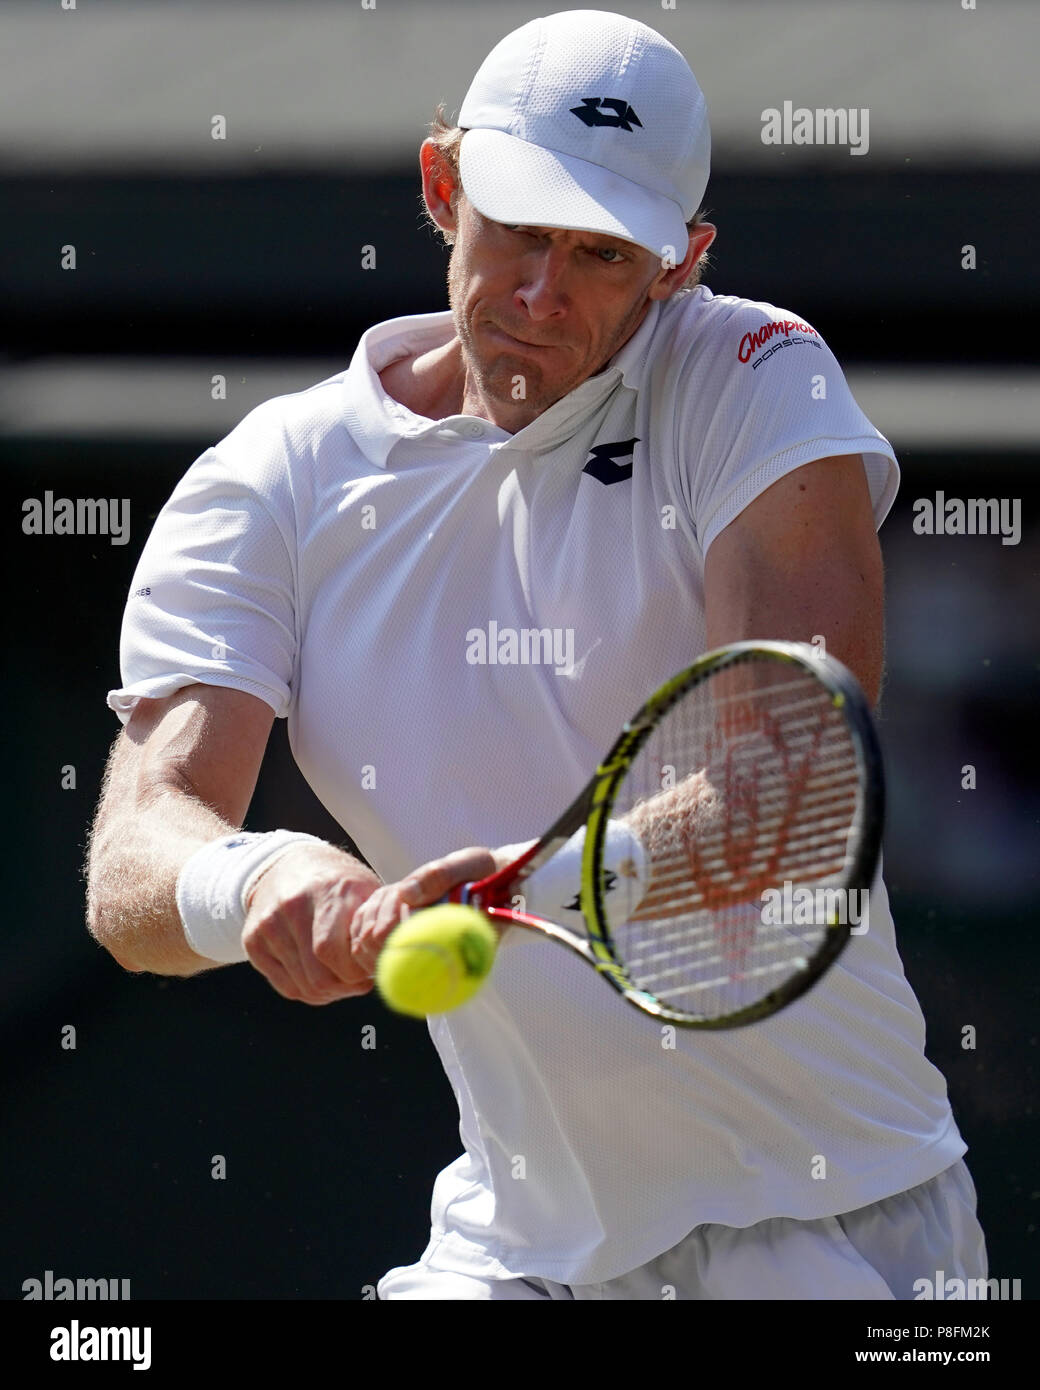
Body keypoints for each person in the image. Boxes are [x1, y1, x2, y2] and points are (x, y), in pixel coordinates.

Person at [86, 10, 986, 1299]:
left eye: (600, 253)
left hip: (835, 1227)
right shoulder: (267, 484)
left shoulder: (755, 374)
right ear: (441, 186)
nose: (541, 294)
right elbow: (135, 860)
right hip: (515, 1248)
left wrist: (521, 888)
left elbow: (797, 781)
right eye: (516, 228)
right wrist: (259, 880)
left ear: (680, 268)